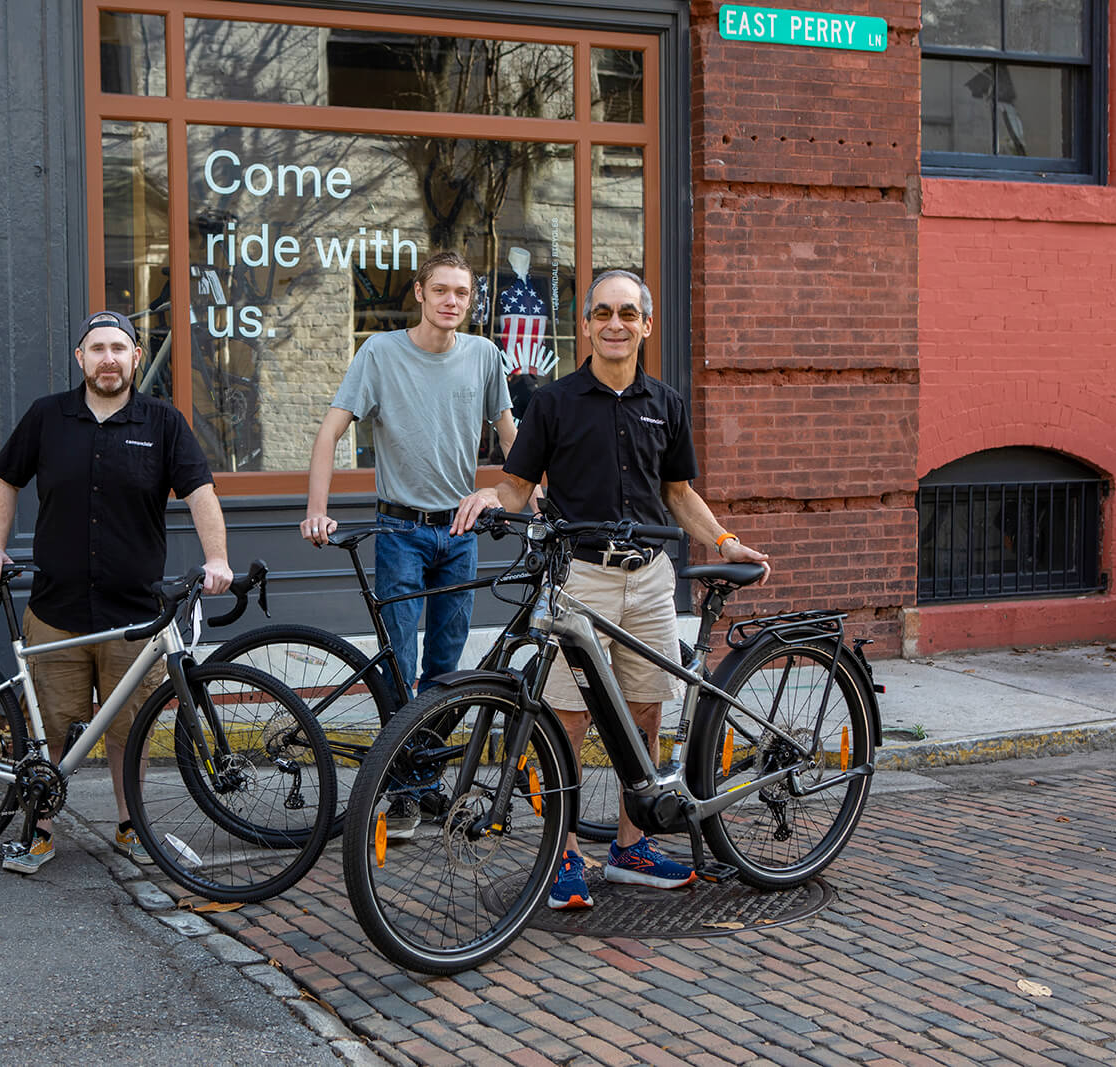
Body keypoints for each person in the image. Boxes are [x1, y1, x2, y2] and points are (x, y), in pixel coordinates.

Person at [452, 269, 771, 910]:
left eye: (628, 313)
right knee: (566, 722)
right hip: (581, 579)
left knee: (644, 714)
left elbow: (678, 494)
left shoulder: (667, 404)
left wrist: (725, 540)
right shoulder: (554, 402)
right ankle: (563, 855)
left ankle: (631, 849)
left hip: (649, 579)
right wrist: (493, 493)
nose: (615, 324)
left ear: (646, 326)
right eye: (602, 313)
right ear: (588, 326)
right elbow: (519, 484)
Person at [0, 309, 232, 875]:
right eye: (97, 349)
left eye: (119, 348)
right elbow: (4, 479)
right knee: (50, 731)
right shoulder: (47, 417)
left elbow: (201, 492)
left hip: (134, 614)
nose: (108, 358)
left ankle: (130, 825)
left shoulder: (163, 421)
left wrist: (217, 559)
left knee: (128, 732)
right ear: (80, 359)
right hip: (57, 610)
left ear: (136, 357)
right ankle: (37, 831)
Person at [301, 250, 517, 700]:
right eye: (440, 290)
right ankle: (395, 771)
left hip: (461, 531)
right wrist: (316, 511)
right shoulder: (381, 352)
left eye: (461, 293)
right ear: (420, 293)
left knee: (446, 669)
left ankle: (425, 768)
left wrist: (537, 504)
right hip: (400, 530)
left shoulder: (483, 355)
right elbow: (330, 432)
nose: (450, 301)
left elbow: (512, 439)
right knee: (398, 667)